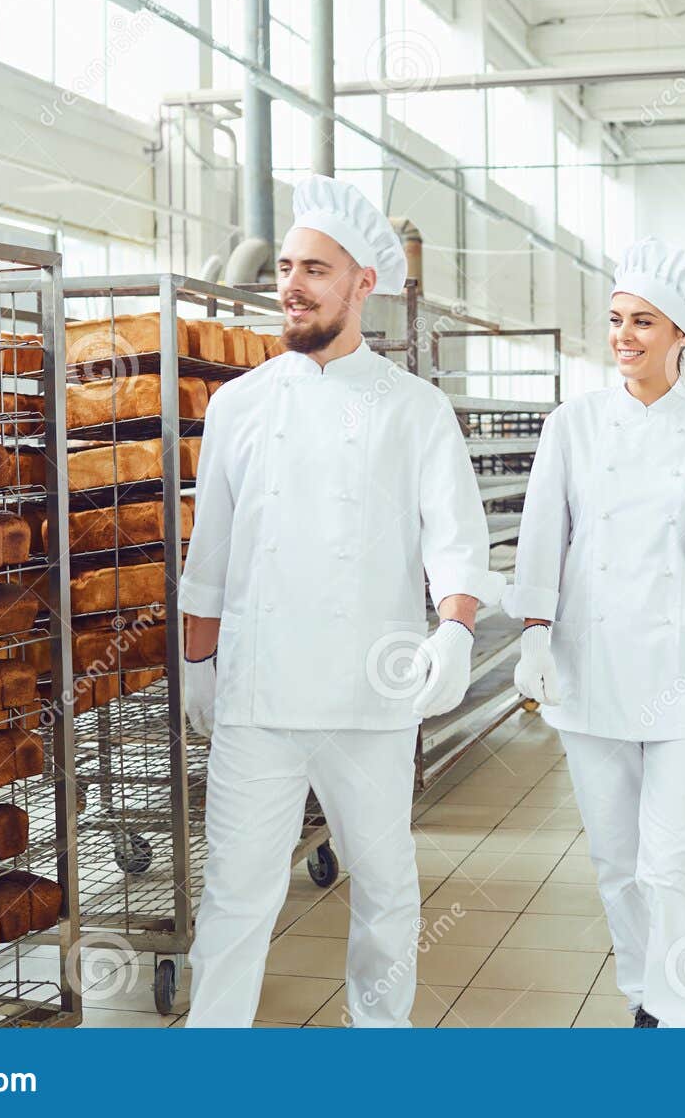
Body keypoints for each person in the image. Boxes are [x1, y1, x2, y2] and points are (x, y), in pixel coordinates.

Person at [178, 174, 496, 1027]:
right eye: (286, 266)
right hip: (258, 695)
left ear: (363, 284)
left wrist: (456, 630)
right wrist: (197, 661)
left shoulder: (414, 410)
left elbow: (457, 543)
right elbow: (209, 554)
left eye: (316, 268)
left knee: (387, 887)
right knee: (236, 895)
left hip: (370, 692)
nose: (292, 284)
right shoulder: (238, 406)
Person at [507, 237, 685, 1028]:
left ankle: (678, 1005)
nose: (624, 336)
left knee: (672, 856)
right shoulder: (573, 425)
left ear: (680, 336)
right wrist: (533, 635)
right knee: (615, 859)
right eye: (618, 319)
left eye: (644, 322)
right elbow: (541, 539)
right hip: (588, 669)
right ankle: (641, 989)